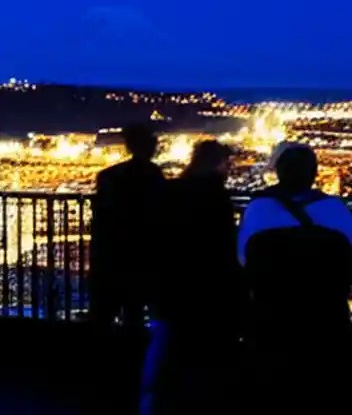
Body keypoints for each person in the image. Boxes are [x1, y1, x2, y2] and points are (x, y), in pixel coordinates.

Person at [238, 142, 352, 413]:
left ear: (278, 173)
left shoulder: (257, 210)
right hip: (327, 323)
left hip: (271, 322)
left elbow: (243, 260)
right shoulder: (336, 210)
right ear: (314, 174)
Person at [141, 140, 241, 415]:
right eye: (226, 164)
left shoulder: (171, 190)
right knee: (203, 349)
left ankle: (151, 400)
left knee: (164, 341)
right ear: (218, 164)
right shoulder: (216, 198)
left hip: (169, 281)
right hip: (205, 285)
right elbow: (223, 245)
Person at [89, 123, 165, 331]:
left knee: (103, 314)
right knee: (135, 314)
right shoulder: (153, 176)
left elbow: (102, 214)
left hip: (111, 255)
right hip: (141, 256)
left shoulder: (108, 176)